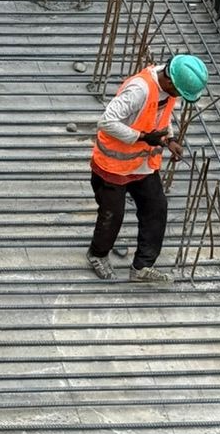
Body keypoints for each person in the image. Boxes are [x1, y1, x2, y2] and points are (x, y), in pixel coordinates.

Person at [87, 53, 209, 284]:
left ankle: (142, 266)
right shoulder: (139, 89)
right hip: (113, 165)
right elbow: (106, 121)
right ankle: (98, 254)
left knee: (156, 208)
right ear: (170, 81)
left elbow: (162, 116)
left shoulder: (167, 88)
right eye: (179, 92)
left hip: (142, 165)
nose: (178, 97)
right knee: (113, 214)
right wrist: (143, 137)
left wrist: (169, 140)